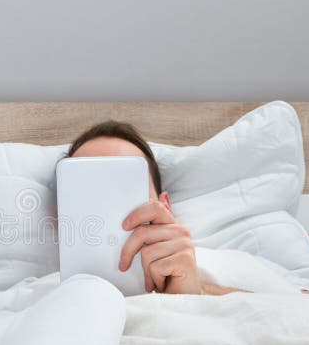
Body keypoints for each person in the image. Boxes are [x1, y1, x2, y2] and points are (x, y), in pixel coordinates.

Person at [67, 121, 240, 296]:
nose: (106, 207)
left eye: (124, 188)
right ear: (59, 215)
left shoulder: (221, 273)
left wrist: (192, 295)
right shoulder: (42, 292)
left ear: (165, 206)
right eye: (88, 190)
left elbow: (264, 310)